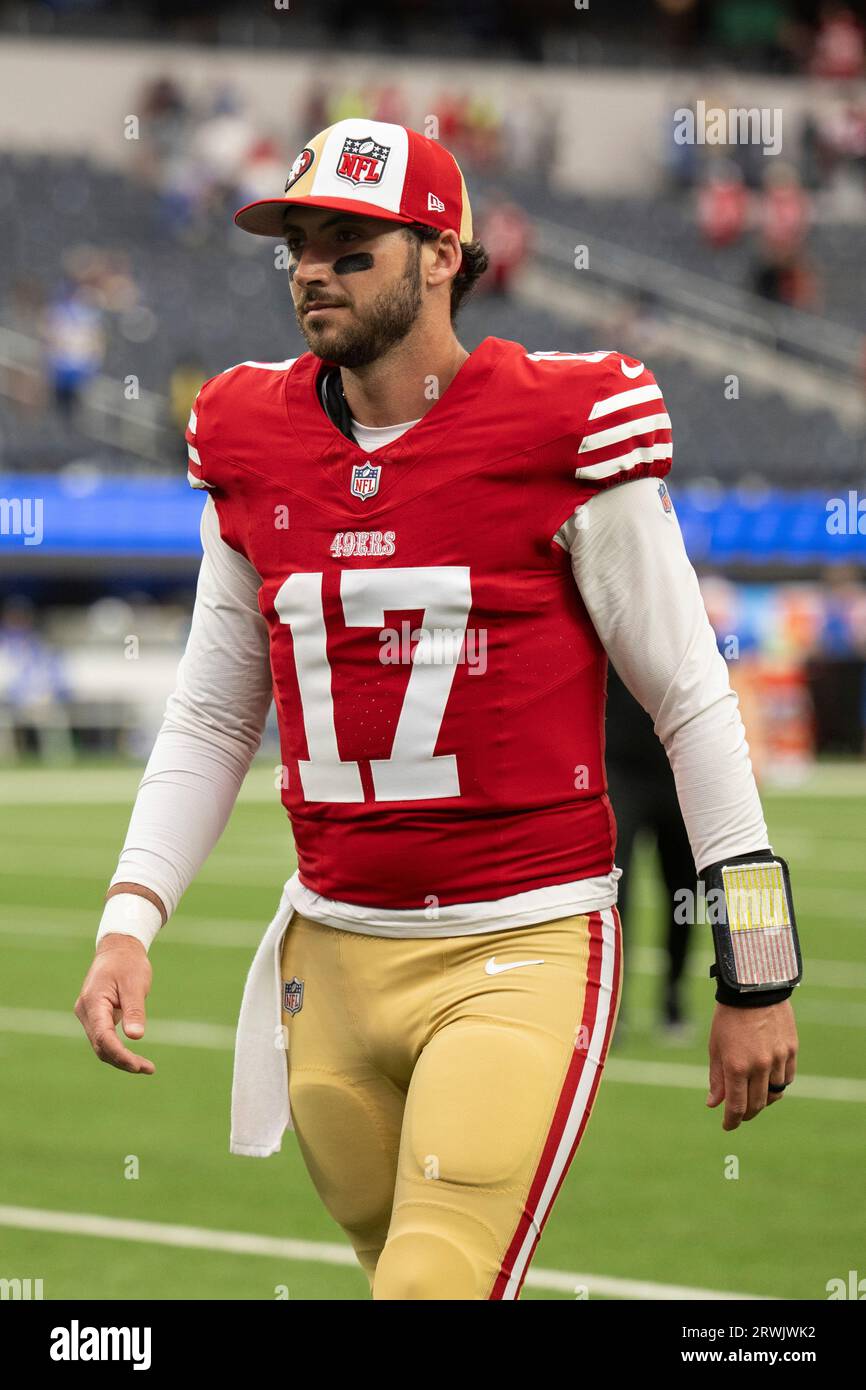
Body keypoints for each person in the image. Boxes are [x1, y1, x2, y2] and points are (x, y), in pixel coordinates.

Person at [74, 119, 800, 1301]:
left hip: (520, 937)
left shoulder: (562, 424)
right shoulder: (250, 434)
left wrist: (757, 969)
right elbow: (214, 714)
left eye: (352, 244)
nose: (313, 267)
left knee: (428, 1288)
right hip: (333, 954)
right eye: (300, 243)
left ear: (440, 255)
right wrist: (129, 918)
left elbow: (691, 701)